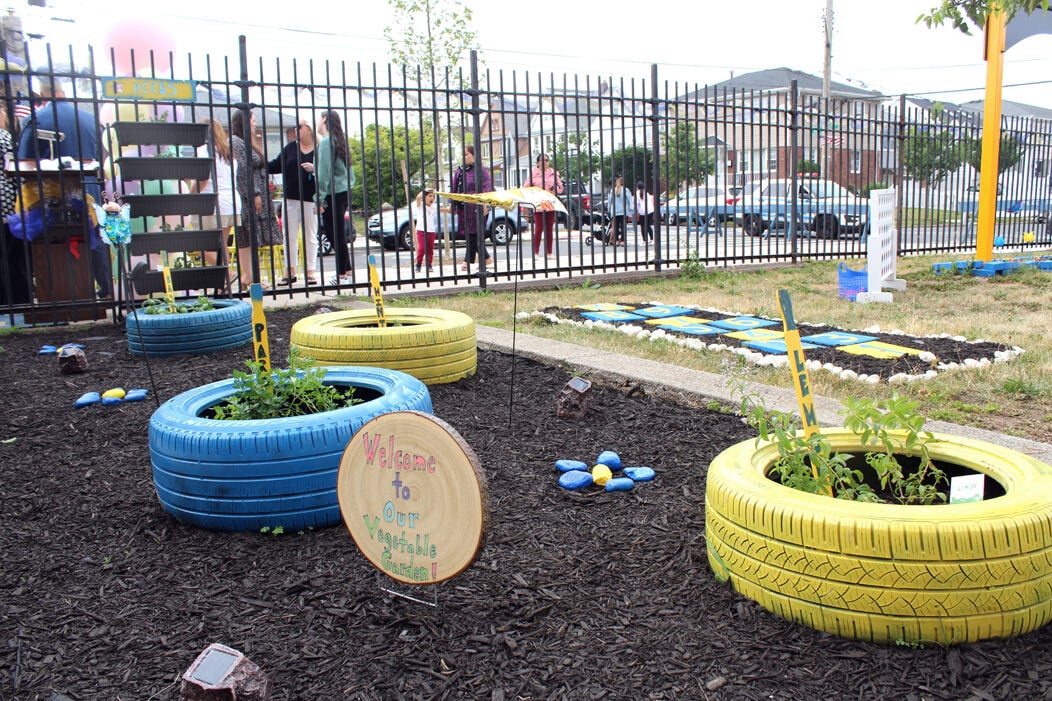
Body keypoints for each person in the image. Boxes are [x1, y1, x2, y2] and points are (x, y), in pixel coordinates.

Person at [17, 77, 111, 299]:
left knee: (54, 242)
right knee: (95, 237)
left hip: (53, 194)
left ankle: (58, 293)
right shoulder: (90, 119)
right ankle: (106, 287)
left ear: (43, 94)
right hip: (89, 188)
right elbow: (101, 155)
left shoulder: (36, 120)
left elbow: (25, 160)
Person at [230, 110, 282, 288]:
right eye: (252, 120)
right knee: (247, 235)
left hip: (255, 195)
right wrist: (254, 193)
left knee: (249, 237)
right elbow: (242, 170)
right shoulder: (237, 142)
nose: (255, 123)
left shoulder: (246, 142)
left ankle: (249, 276)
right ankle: (250, 276)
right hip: (248, 198)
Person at [268, 119, 317, 285]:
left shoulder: (318, 149)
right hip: (290, 198)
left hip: (311, 199)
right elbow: (276, 165)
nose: (296, 129)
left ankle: (310, 271)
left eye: (299, 126)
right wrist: (259, 163)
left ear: (309, 129)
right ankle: (290, 271)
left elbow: (326, 172)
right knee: (289, 236)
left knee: (310, 235)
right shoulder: (290, 148)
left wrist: (314, 168)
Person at [188, 119, 238, 284]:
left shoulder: (203, 151)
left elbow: (203, 179)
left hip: (210, 203)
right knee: (221, 244)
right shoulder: (227, 152)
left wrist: (190, 196)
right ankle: (223, 281)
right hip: (231, 202)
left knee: (196, 244)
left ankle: (226, 272)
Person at [315, 110, 354, 284]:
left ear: (324, 119)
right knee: (337, 233)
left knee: (334, 234)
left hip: (332, 194)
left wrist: (319, 199)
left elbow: (324, 173)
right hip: (343, 190)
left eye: (319, 119)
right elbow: (346, 171)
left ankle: (341, 275)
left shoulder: (326, 142)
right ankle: (347, 271)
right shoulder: (340, 141)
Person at [0, 98, 32, 305]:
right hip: (8, 207)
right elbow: (16, 171)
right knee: (15, 258)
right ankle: (20, 303)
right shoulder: (4, 138)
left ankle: (4, 303)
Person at [451, 144, 492, 272]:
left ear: (474, 155)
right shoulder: (459, 170)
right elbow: (454, 188)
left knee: (475, 234)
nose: (464, 157)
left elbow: (487, 187)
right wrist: (452, 204)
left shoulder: (481, 170)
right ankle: (486, 259)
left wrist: (484, 203)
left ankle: (467, 261)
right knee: (470, 234)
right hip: (464, 208)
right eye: (463, 155)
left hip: (478, 207)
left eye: (466, 154)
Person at [525, 153, 563, 258]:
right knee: (538, 228)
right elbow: (526, 187)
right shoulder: (534, 173)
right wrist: (534, 192)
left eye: (546, 160)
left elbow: (560, 187)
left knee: (549, 228)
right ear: (538, 162)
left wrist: (556, 189)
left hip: (550, 202)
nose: (545, 162)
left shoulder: (553, 173)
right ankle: (535, 252)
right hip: (539, 203)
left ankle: (549, 252)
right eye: (542, 160)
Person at [412, 188, 443, 273]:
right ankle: (418, 264)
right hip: (421, 230)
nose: (432, 198)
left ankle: (429, 265)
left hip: (431, 231)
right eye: (429, 196)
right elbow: (418, 197)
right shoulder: (420, 205)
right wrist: (425, 190)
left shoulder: (433, 207)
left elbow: (442, 209)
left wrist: (451, 211)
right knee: (422, 248)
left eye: (433, 196)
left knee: (430, 250)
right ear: (424, 197)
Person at [606, 176, 634, 246]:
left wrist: (609, 210)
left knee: (615, 227)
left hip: (614, 211)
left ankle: (616, 241)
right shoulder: (626, 190)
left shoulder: (613, 190)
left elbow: (610, 202)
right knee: (623, 226)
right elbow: (630, 200)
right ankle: (622, 240)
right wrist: (631, 209)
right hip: (623, 211)